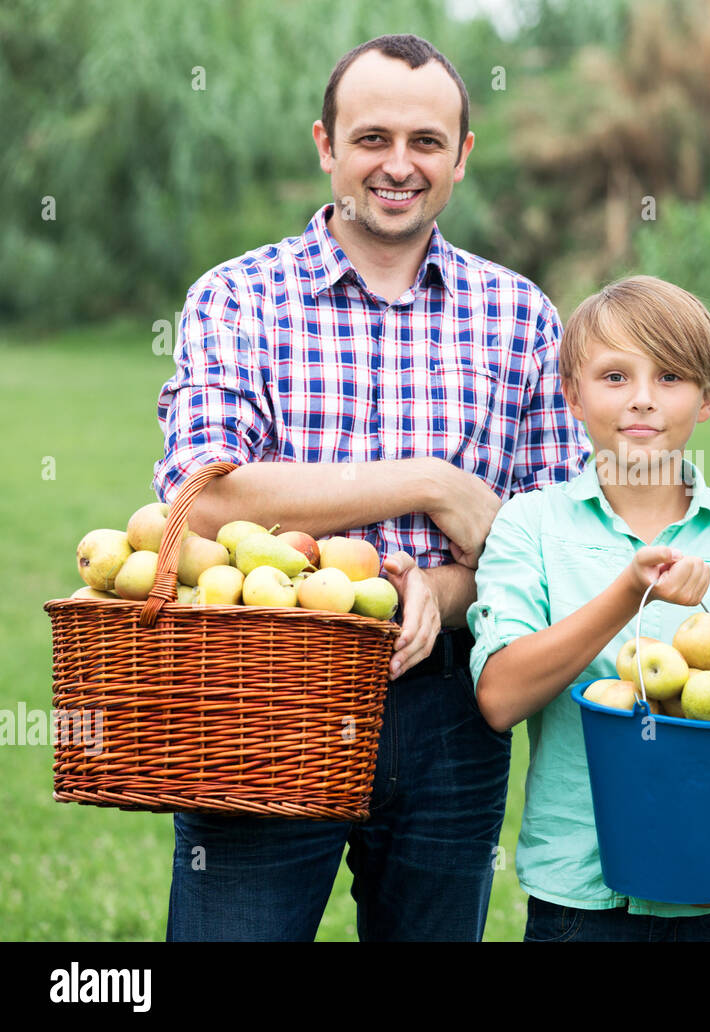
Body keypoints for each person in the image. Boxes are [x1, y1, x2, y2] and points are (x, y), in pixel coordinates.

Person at [152, 34, 587, 941]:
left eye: (427, 142)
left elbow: (552, 548)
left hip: (449, 711)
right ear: (326, 145)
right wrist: (432, 484)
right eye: (371, 138)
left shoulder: (520, 317)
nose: (399, 166)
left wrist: (435, 587)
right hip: (267, 689)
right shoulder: (239, 297)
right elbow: (207, 496)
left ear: (462, 157)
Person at [468, 275, 710, 942]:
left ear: (707, 399)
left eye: (670, 377)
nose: (643, 399)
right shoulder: (529, 524)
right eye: (615, 377)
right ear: (572, 395)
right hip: (580, 900)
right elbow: (501, 696)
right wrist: (625, 593)